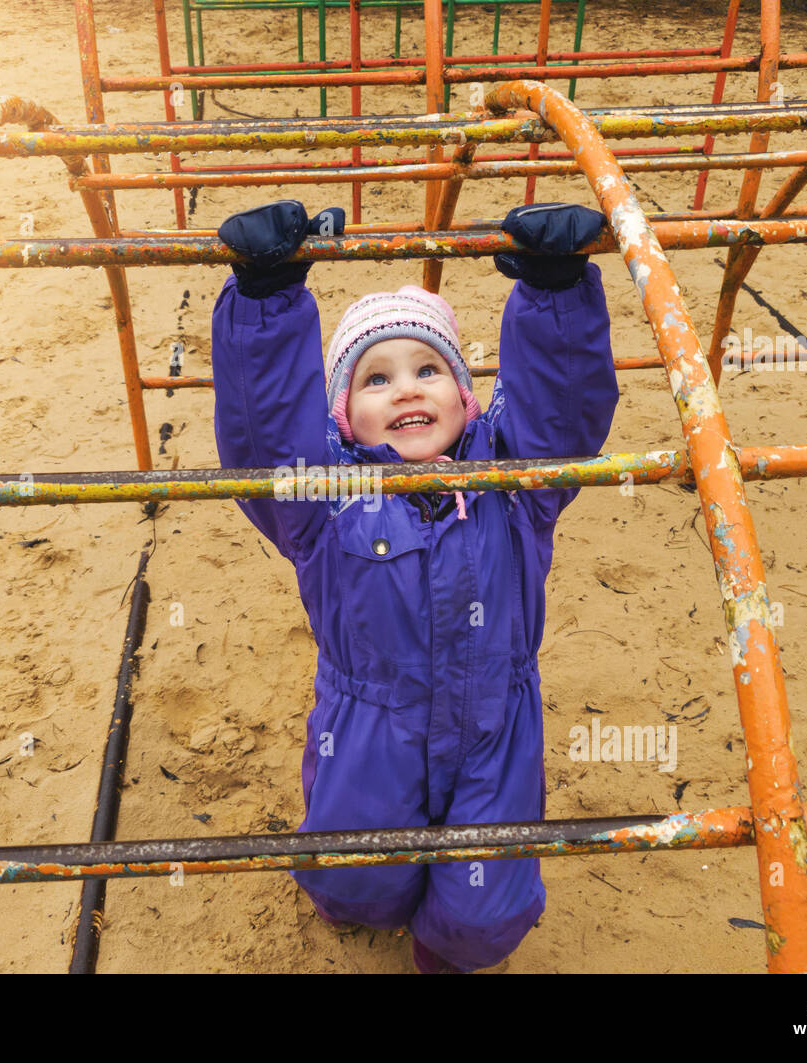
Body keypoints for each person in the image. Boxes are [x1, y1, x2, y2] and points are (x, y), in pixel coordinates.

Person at [210, 199, 620, 973]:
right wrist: (266, 301)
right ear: (341, 419)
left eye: (429, 369)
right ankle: (366, 897)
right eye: (377, 378)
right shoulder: (321, 501)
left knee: (480, 918)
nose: (406, 389)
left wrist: (555, 291)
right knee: (356, 881)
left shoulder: (514, 479)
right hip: (367, 726)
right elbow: (263, 443)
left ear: (466, 398)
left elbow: (562, 414)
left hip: (495, 728)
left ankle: (446, 940)